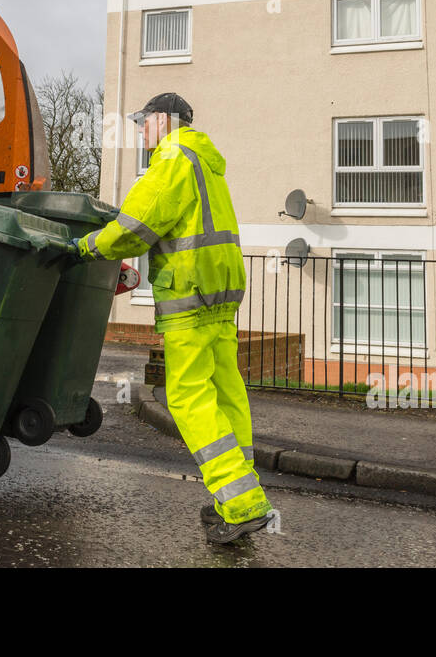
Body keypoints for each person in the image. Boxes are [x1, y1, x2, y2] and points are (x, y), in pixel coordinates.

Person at [72, 93, 273, 543]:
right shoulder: (206, 161)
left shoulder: (173, 159)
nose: (142, 132)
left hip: (189, 293)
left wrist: (85, 247)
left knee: (186, 397)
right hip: (221, 293)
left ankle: (240, 503)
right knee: (225, 395)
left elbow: (133, 228)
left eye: (145, 122)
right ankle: (238, 496)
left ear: (164, 120)